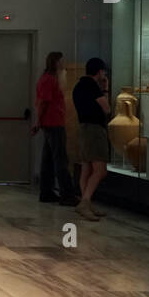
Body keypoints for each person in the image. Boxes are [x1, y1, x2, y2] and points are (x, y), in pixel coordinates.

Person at [32, 51, 77, 206]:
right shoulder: (49, 80)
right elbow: (43, 103)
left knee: (49, 159)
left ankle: (47, 192)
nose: (64, 63)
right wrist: (38, 122)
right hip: (53, 123)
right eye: (61, 61)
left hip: (51, 122)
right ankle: (67, 194)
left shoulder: (50, 79)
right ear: (56, 62)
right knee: (60, 159)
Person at [72, 58, 111, 222]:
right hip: (95, 129)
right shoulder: (92, 86)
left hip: (83, 128)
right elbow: (107, 109)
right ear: (100, 71)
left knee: (86, 168)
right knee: (100, 170)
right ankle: (86, 201)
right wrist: (106, 89)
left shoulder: (78, 86)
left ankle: (85, 202)